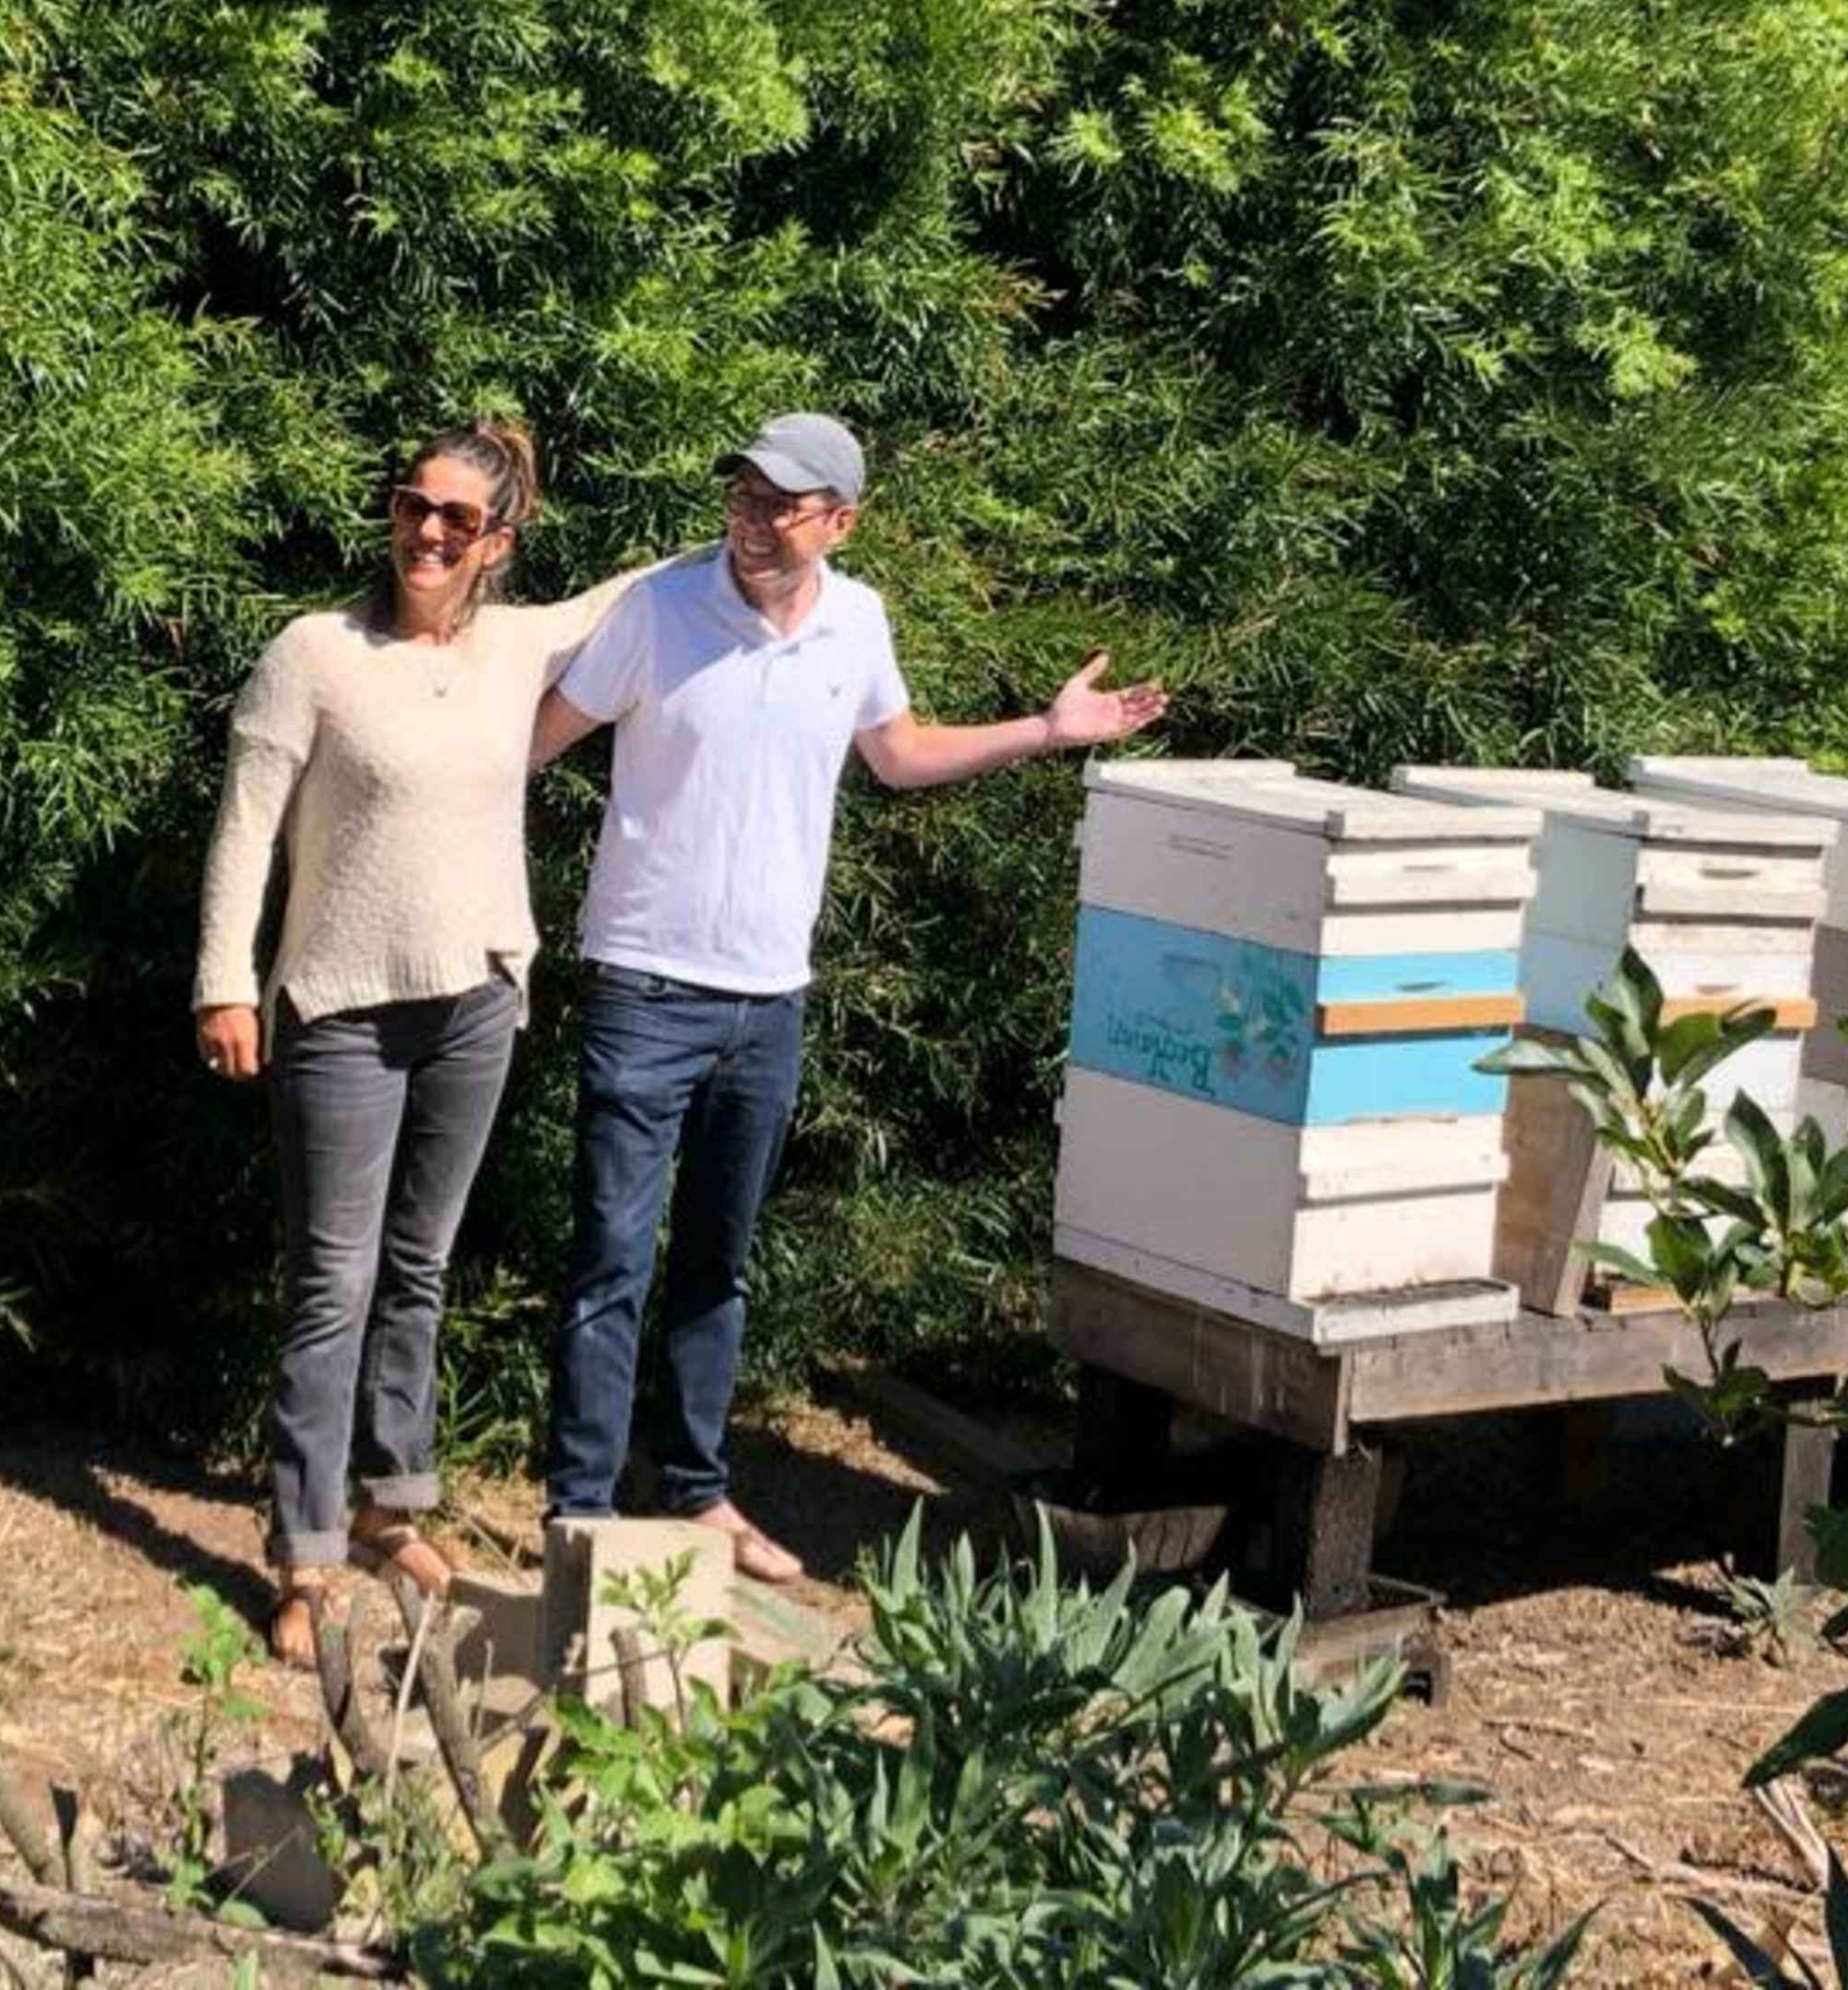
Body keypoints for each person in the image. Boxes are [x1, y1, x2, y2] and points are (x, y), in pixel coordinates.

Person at [530, 413, 1166, 1580]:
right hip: (644, 984)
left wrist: (1049, 729)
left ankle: (697, 1493)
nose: (758, 520)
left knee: (718, 1260)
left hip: (771, 1000)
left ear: (841, 520)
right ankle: (578, 1511)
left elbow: (899, 755)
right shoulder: (657, 612)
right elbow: (532, 742)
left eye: (785, 504)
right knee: (613, 1256)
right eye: (747, 494)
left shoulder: (858, 621)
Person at [195, 420, 643, 1665]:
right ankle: (306, 1550)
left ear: (499, 541)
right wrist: (223, 983)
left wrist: (774, 537)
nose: (428, 532)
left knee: (420, 1269)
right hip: (337, 1005)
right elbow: (246, 830)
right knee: (331, 1283)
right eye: (413, 506)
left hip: (477, 999)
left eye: (457, 517)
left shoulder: (517, 644)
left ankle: (396, 1505)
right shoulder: (314, 654)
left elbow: (646, 590)